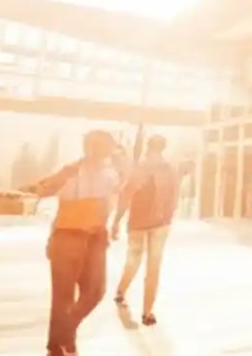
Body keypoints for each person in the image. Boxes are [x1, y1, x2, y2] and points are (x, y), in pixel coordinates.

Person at [24, 130, 124, 356]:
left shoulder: (110, 173)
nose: (108, 151)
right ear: (92, 147)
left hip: (96, 236)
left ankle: (63, 334)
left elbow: (113, 195)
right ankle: (59, 347)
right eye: (105, 147)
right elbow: (47, 193)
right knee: (63, 296)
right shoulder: (71, 171)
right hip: (69, 235)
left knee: (95, 291)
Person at [111, 135, 179, 326]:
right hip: (161, 223)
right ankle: (147, 312)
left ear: (148, 147)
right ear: (164, 147)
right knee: (154, 267)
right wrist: (167, 215)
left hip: (138, 223)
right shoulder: (169, 170)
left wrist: (116, 220)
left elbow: (127, 194)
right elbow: (174, 197)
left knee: (133, 260)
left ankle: (121, 291)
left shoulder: (140, 168)